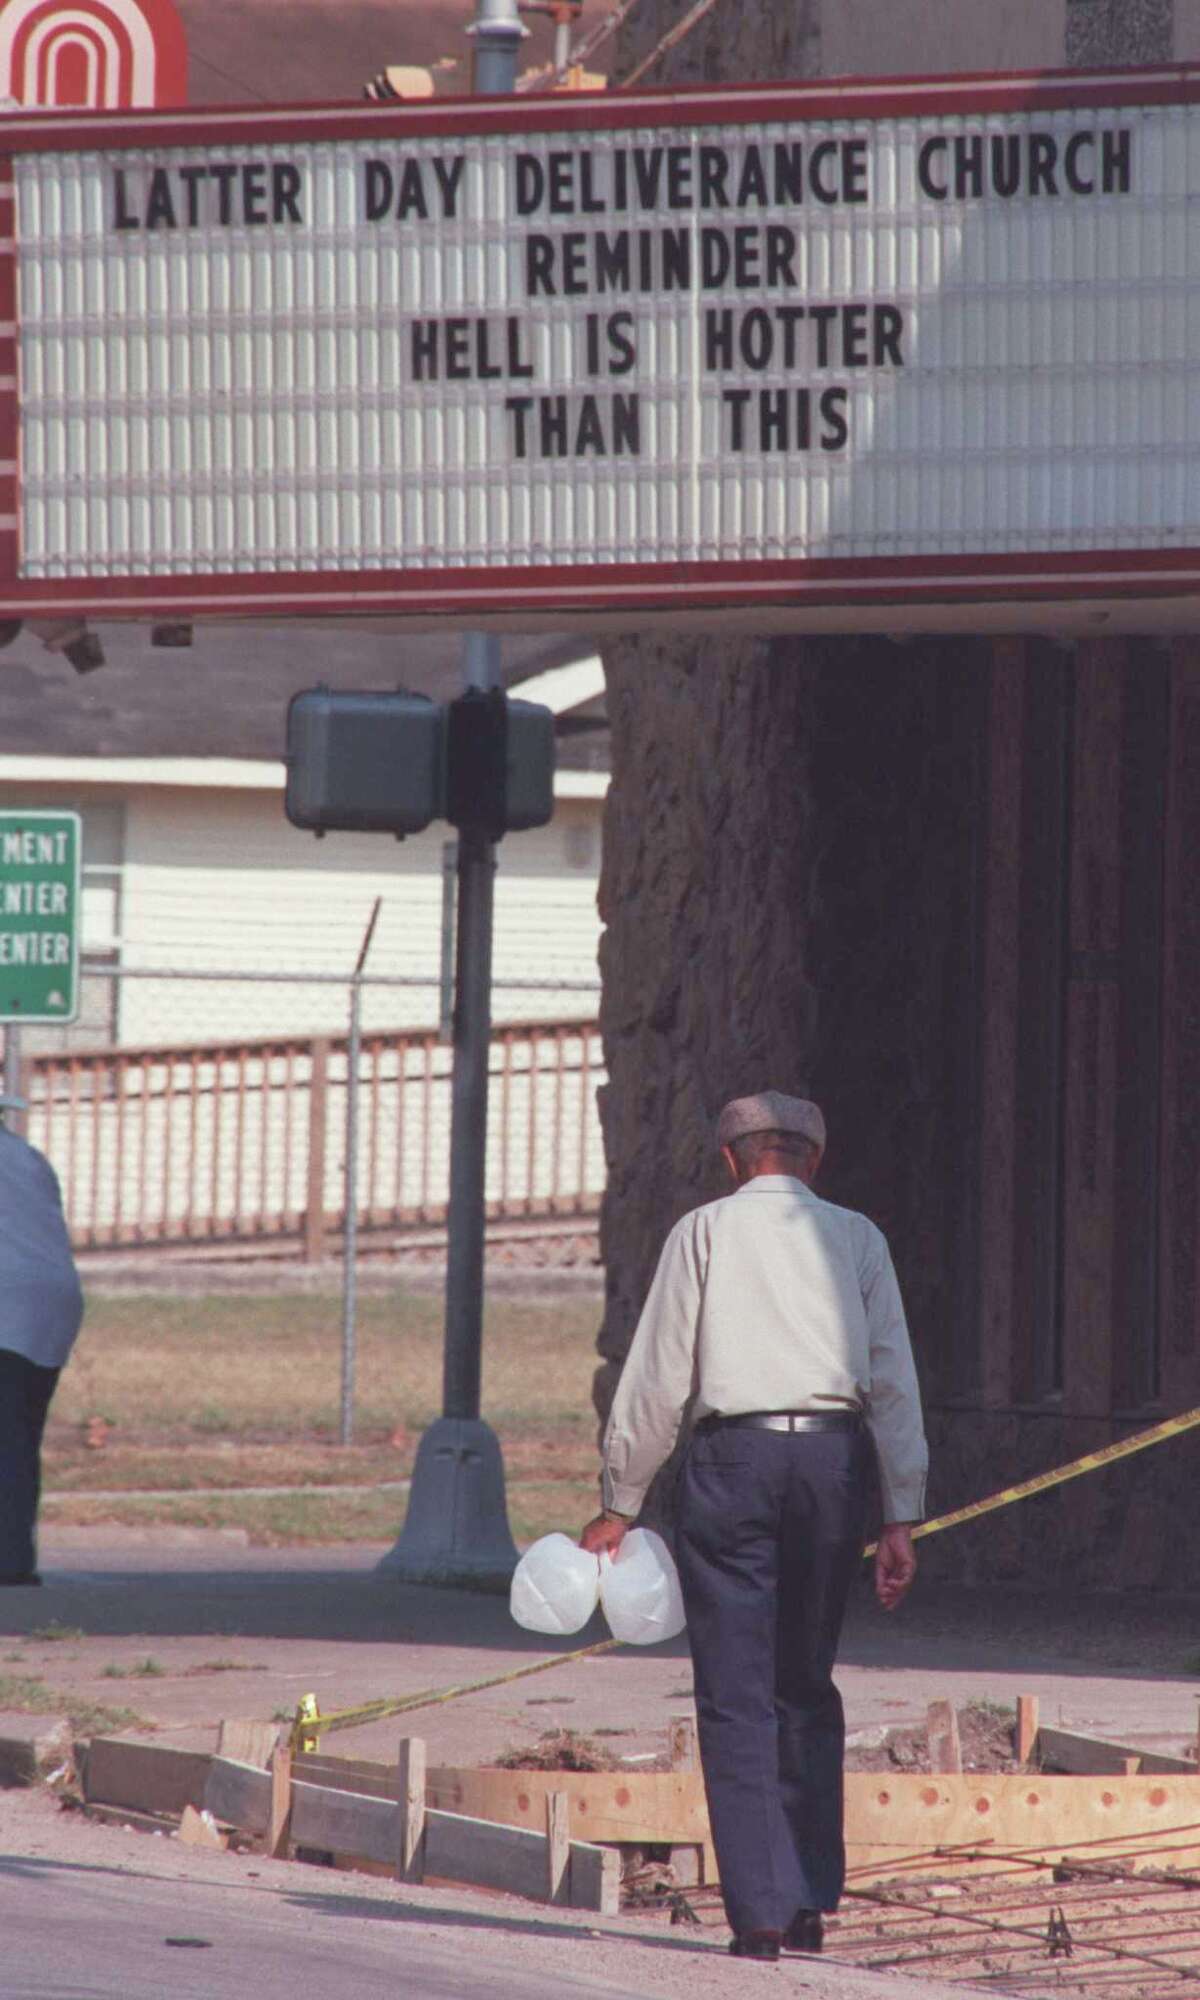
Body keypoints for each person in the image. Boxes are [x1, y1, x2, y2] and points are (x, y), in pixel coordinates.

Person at [581, 1090, 927, 1963]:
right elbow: (892, 1377)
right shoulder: (858, 1238)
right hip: (833, 1464)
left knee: (736, 1688)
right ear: (818, 1158)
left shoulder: (703, 1232)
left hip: (734, 1460)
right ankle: (808, 1897)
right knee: (804, 1680)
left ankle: (761, 1913)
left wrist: (620, 1500)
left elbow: (658, 1375)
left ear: (731, 1160)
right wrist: (901, 1513)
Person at [0, 1101, 84, 1586]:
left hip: (6, 1298)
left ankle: (8, 1560)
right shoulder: (27, 1157)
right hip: (51, 1302)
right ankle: (12, 1554)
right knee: (17, 1437)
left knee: (7, 1436)